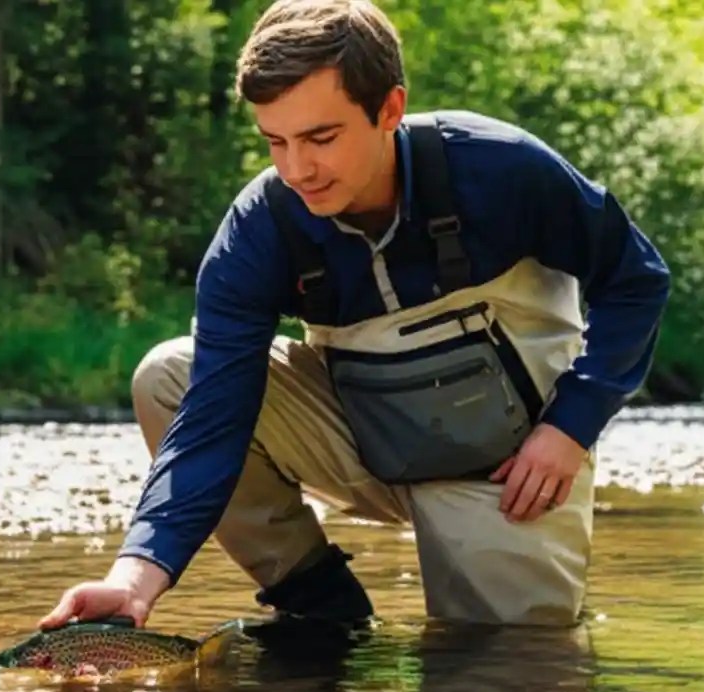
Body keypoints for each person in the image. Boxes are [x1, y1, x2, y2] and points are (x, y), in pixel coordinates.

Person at [39, 0, 670, 631]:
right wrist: (133, 580)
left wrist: (570, 427)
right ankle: (320, 608)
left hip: (514, 470)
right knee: (167, 376)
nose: (295, 170)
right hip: (363, 444)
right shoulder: (260, 229)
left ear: (390, 110)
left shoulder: (501, 169)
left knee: (504, 674)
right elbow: (211, 420)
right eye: (275, 141)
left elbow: (636, 280)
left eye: (320, 138)